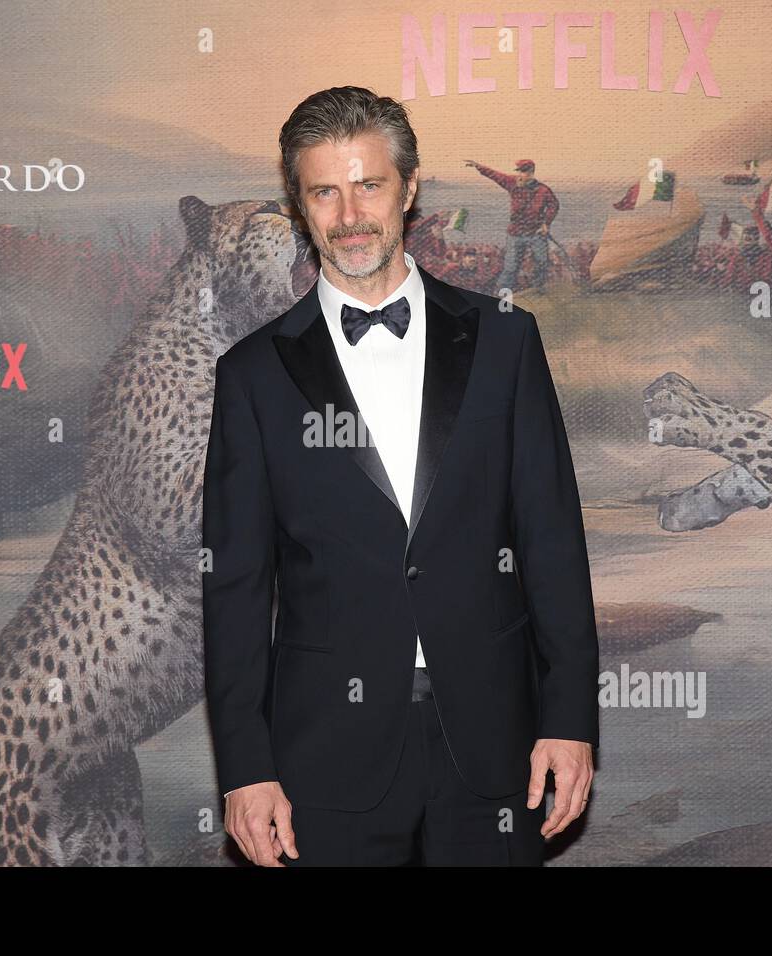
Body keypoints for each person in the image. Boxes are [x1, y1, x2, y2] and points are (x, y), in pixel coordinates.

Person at [202, 87, 599, 866]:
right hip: (323, 756)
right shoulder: (251, 375)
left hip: (497, 745)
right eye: (325, 190)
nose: (349, 215)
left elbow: (552, 543)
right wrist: (246, 768)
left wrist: (570, 717)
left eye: (369, 184)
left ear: (410, 188)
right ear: (300, 203)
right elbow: (236, 587)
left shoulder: (505, 342)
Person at [465, 158, 560, 293]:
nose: (519, 175)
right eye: (519, 171)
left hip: (535, 233)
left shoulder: (543, 190)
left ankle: (538, 289)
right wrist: (479, 167)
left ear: (531, 173)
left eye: (523, 172)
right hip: (515, 234)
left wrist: (546, 223)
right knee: (510, 267)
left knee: (542, 262)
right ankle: (502, 296)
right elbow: (495, 175)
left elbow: (554, 205)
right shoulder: (512, 183)